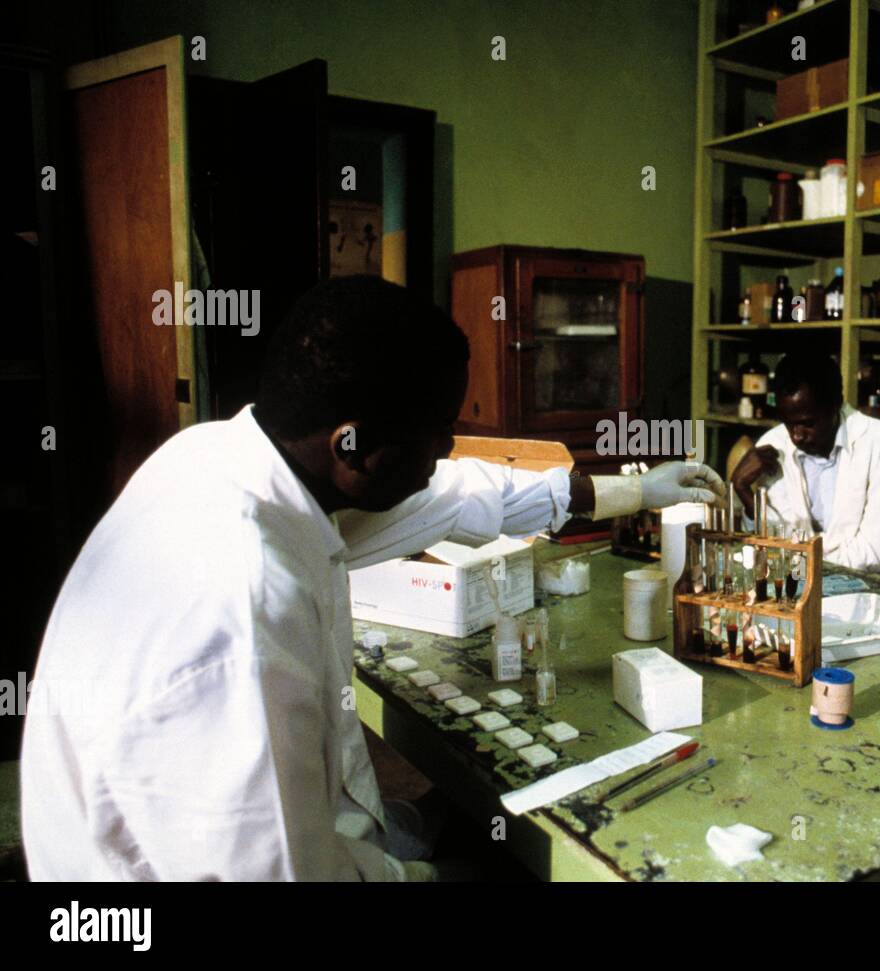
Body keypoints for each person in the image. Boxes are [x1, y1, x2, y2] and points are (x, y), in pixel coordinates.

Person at [21, 275, 722, 881]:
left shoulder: (226, 459)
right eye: (438, 429)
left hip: (291, 832)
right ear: (354, 446)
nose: (449, 448)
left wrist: (635, 491)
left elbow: (462, 495)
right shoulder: (243, 608)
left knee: (473, 821)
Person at [730, 350, 880, 574]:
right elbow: (773, 543)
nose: (796, 436)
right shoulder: (774, 445)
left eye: (808, 423)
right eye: (788, 423)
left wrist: (797, 560)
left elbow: (874, 554)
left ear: (837, 402)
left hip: (871, 588)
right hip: (797, 585)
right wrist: (744, 492)